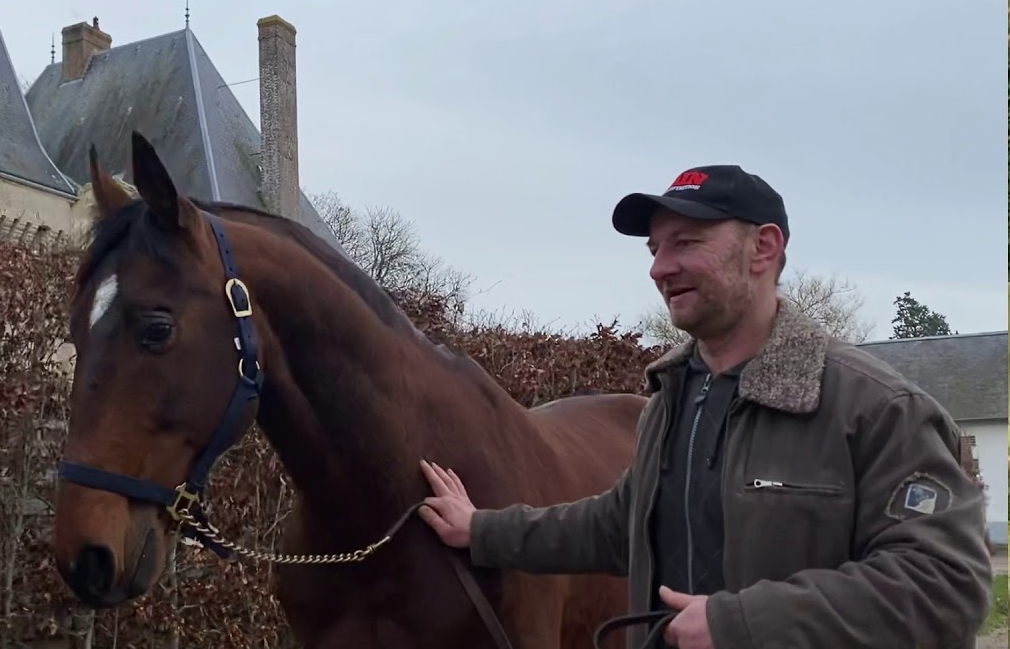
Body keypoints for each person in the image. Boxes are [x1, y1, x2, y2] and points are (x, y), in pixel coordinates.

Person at [417, 165, 994, 649]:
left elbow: (946, 586)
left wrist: (742, 624)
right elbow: (618, 526)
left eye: (686, 243)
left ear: (764, 248)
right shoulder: (673, 399)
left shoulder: (877, 408)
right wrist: (481, 529)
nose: (659, 267)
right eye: (655, 249)